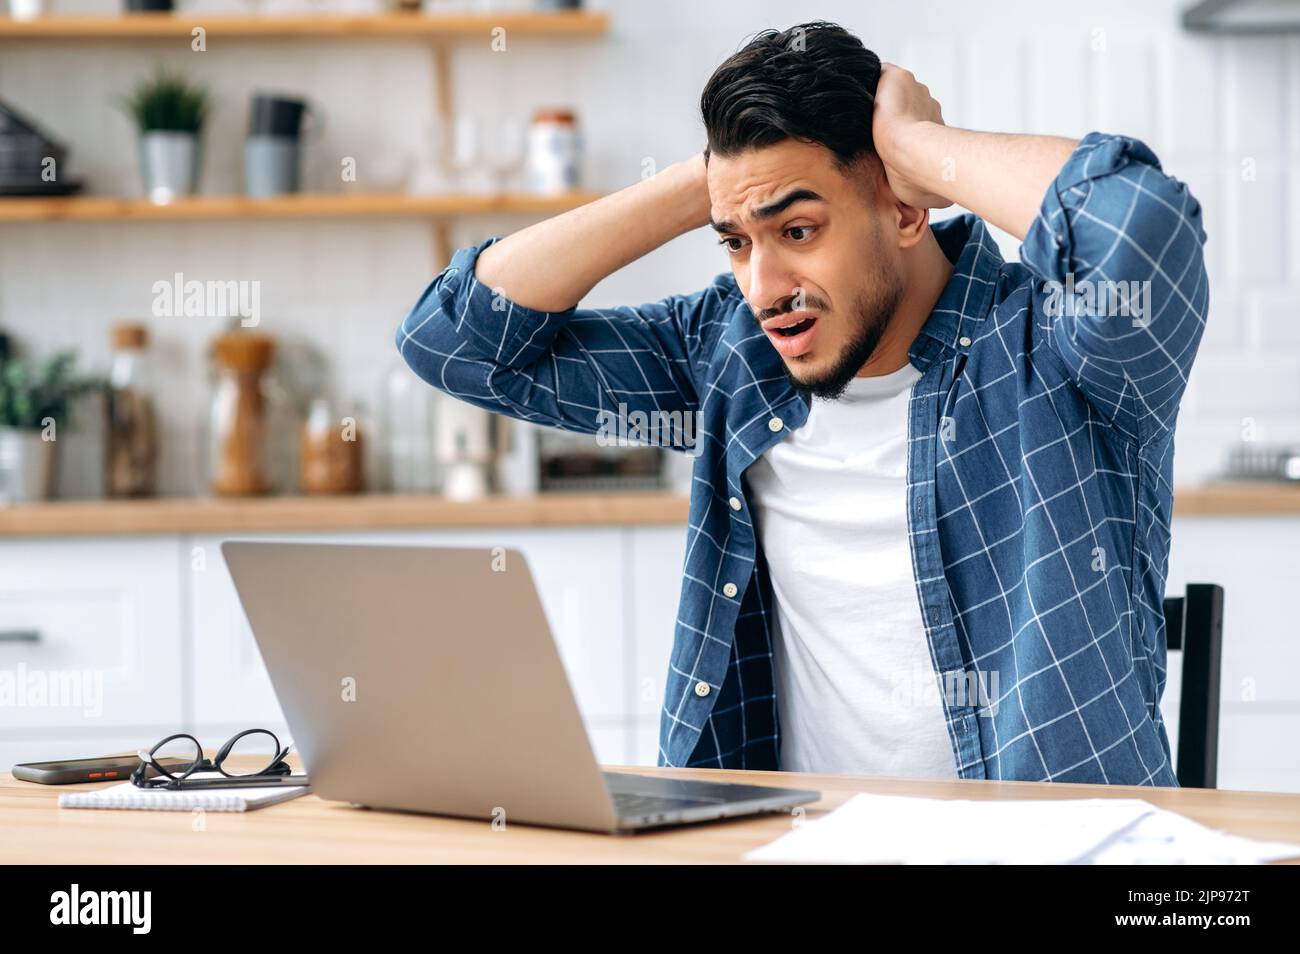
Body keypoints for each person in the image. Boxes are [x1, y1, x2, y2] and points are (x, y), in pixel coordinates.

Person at [395, 20, 1208, 785]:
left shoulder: (1062, 346)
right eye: (737, 242)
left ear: (904, 207)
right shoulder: (733, 351)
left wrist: (917, 144)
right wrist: (714, 182)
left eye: (798, 231)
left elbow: (1140, 227)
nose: (764, 288)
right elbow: (455, 343)